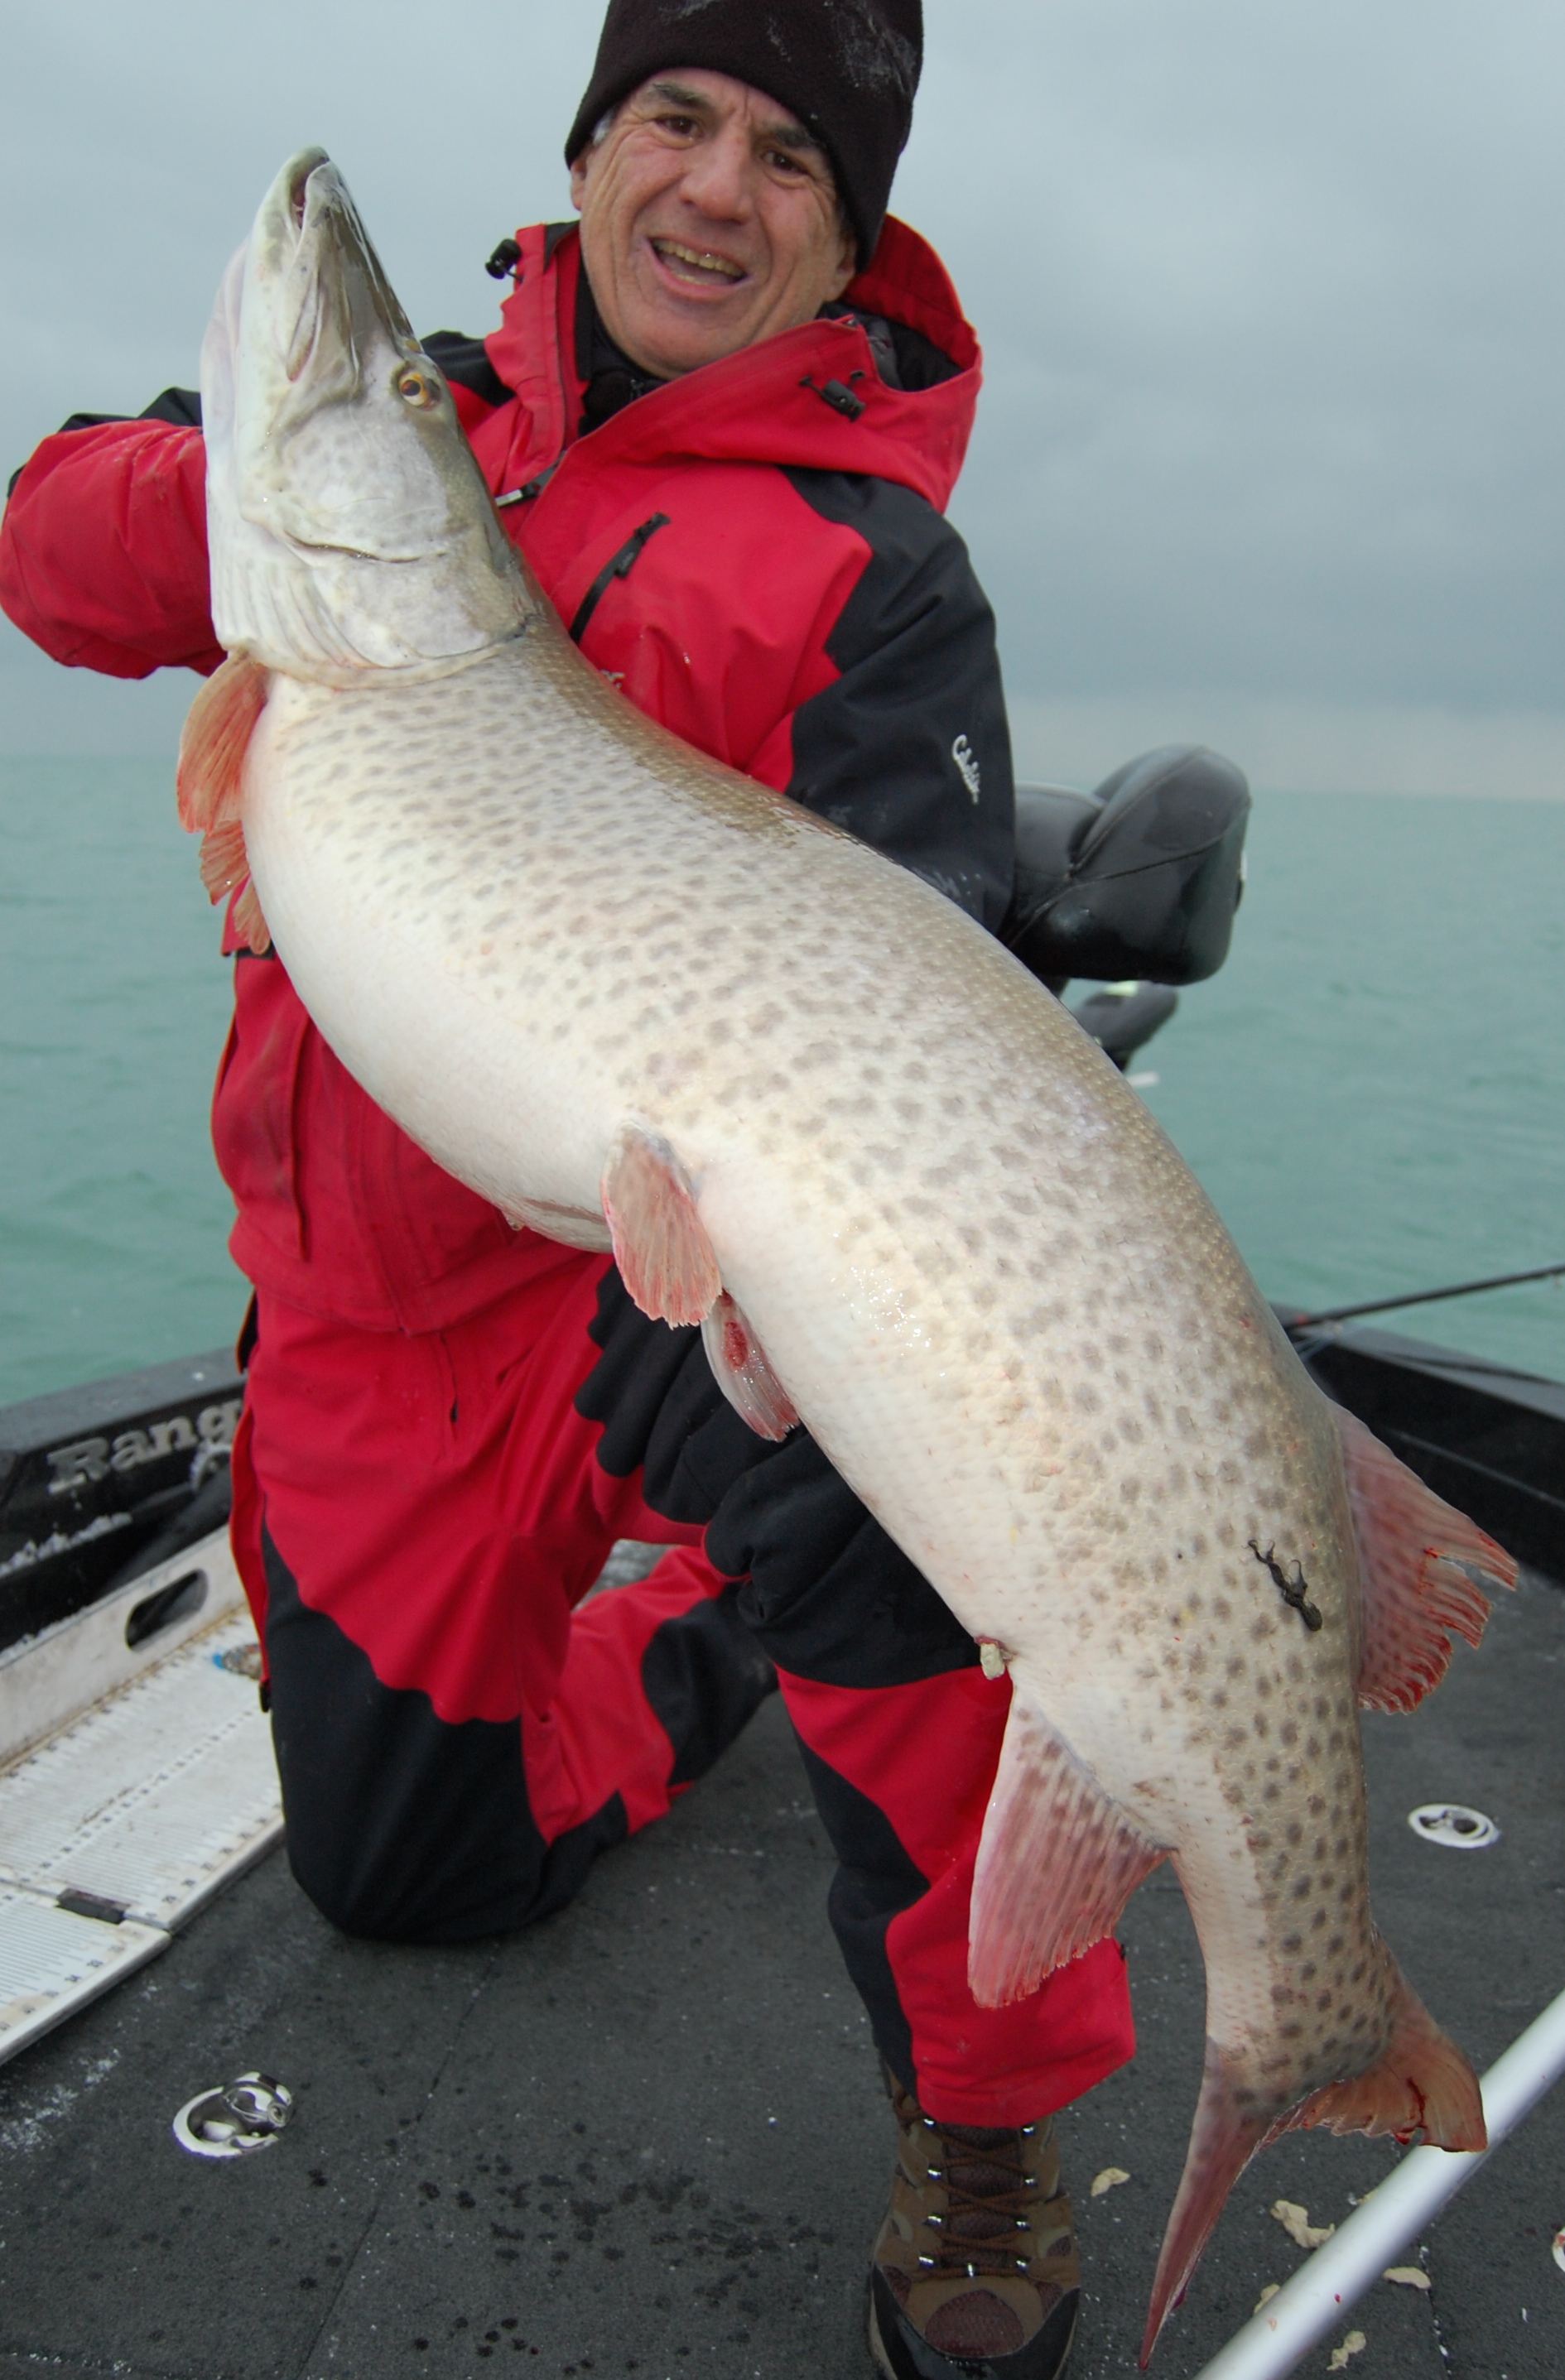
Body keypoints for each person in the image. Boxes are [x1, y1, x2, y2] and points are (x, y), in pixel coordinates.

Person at [1, 6, 1135, 2371]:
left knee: (901, 1522)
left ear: (846, 238)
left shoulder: (872, 566)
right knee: (406, 1875)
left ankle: (990, 2109)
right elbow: (49, 551)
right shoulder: (398, 421)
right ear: (594, 150)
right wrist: (261, 491)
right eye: (675, 119)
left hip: (638, 1268)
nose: (717, 189)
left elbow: (900, 983)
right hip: (366, 1316)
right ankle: (698, 1639)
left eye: (787, 163)